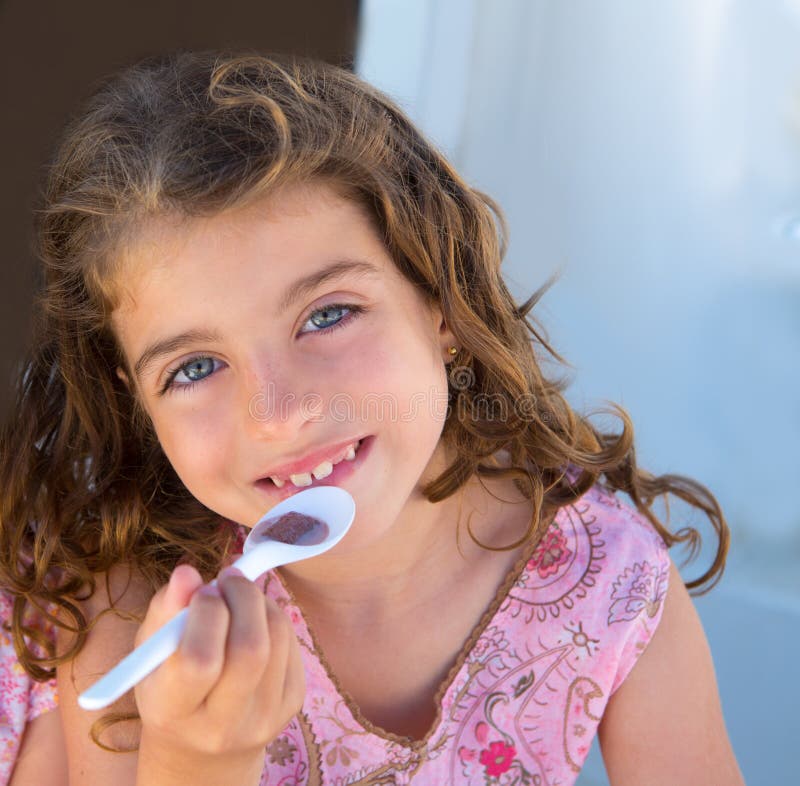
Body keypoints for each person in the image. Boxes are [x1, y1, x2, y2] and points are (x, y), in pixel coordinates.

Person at [0, 50, 744, 785]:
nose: (280, 415)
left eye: (327, 315)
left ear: (441, 300)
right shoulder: (128, 600)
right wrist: (198, 762)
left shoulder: (608, 580)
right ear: (138, 400)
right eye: (194, 368)